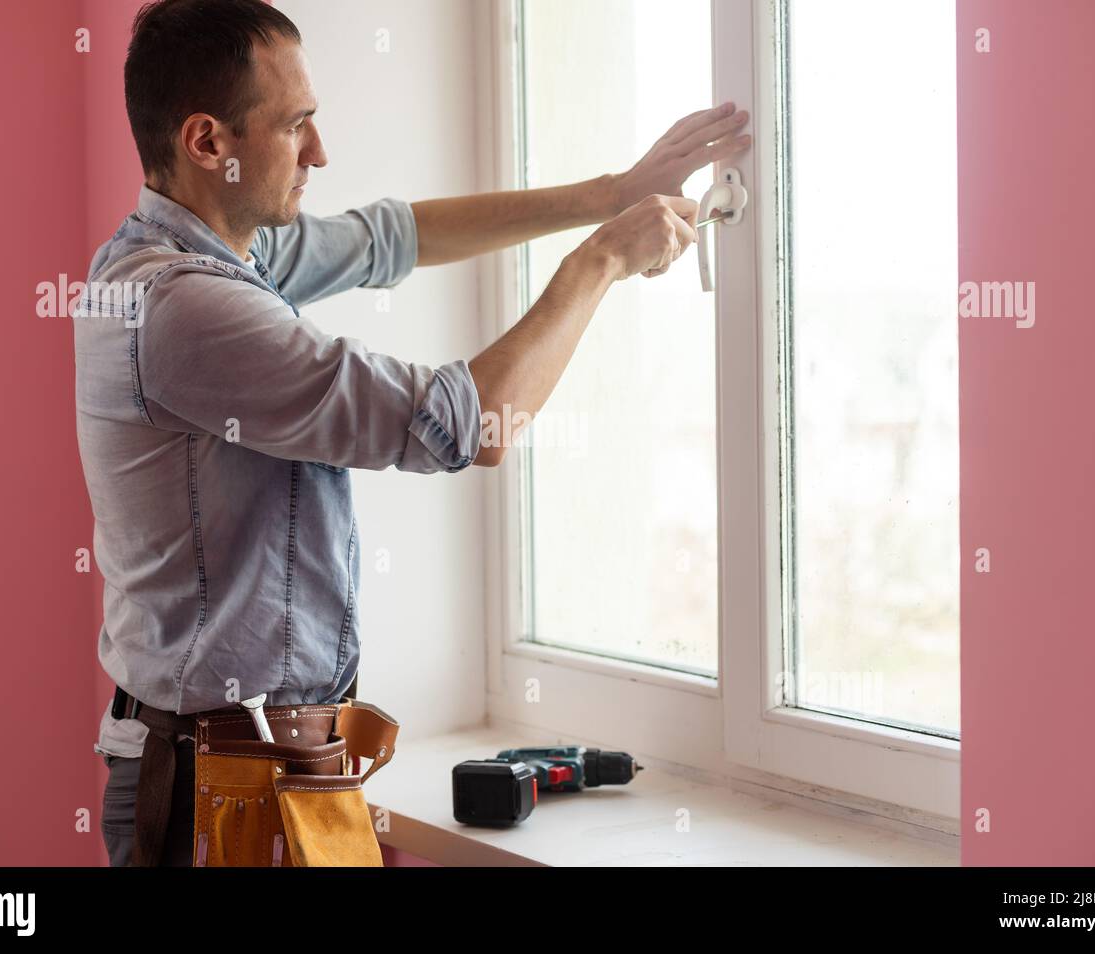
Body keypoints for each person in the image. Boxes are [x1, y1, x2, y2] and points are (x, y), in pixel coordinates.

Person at [77, 0, 750, 866]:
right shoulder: (184, 309)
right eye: (296, 125)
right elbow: (465, 424)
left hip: (263, 764)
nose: (320, 152)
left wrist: (608, 196)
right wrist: (601, 262)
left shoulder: (200, 252)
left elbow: (394, 237)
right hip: (222, 787)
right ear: (209, 142)